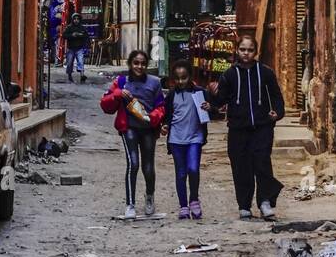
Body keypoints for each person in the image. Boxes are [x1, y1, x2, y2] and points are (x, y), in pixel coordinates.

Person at [207, 34, 285, 220]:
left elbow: (276, 96)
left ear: (255, 52)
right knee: (241, 167)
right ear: (237, 50)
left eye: (250, 50)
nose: (246, 53)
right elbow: (221, 99)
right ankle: (244, 205)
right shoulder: (229, 75)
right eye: (243, 49)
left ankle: (265, 202)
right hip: (238, 128)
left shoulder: (265, 72)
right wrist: (211, 98)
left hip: (262, 126)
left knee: (262, 164)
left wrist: (277, 112)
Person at [101, 49, 165, 219]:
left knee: (148, 166)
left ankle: (149, 196)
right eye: (136, 63)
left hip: (149, 129)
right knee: (133, 163)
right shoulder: (121, 82)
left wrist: (153, 118)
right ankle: (130, 204)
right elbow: (105, 105)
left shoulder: (155, 83)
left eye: (143, 63)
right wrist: (117, 95)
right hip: (128, 127)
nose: (139, 66)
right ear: (130, 64)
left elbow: (161, 106)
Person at [163, 61, 208, 220]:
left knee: (193, 169)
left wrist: (210, 107)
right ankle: (183, 206)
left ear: (190, 76)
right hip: (176, 139)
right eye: (177, 78)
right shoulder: (171, 95)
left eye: (184, 77)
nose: (181, 81)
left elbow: (210, 111)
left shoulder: (199, 93)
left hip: (195, 137)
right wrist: (165, 126)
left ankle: (194, 200)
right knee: (181, 173)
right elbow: (166, 116)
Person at [62, 12, 90, 83]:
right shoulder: (69, 27)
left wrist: (85, 43)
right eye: (75, 19)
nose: (76, 20)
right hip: (71, 48)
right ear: (72, 20)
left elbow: (86, 36)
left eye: (77, 19)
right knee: (69, 63)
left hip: (79, 48)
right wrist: (72, 35)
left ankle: (82, 75)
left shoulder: (82, 27)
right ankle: (69, 76)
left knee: (81, 62)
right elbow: (64, 35)